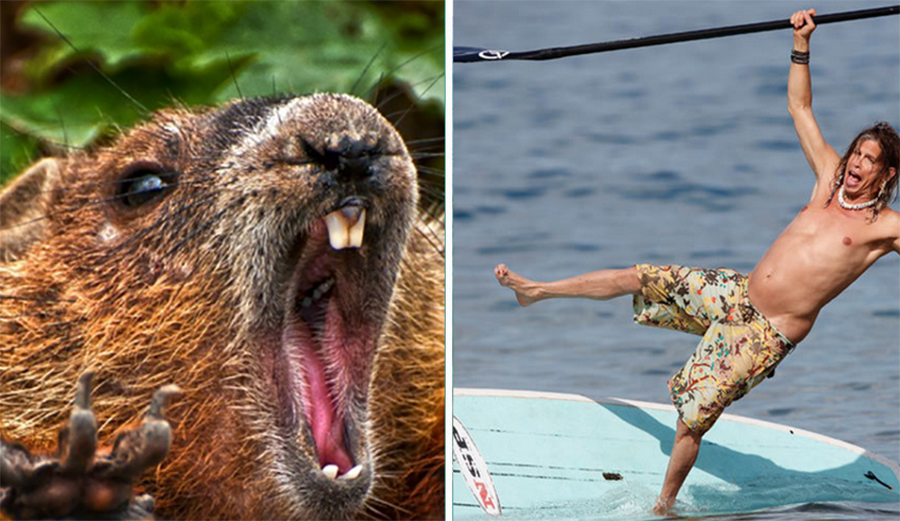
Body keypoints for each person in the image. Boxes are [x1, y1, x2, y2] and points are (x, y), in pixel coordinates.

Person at [493, 8, 899, 515]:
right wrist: (802, 43)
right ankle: (538, 291)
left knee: (693, 415)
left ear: (886, 174)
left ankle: (663, 506)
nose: (856, 165)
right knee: (638, 275)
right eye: (856, 154)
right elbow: (800, 108)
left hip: (764, 333)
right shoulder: (826, 181)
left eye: (868, 160)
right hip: (736, 291)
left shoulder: (885, 228)